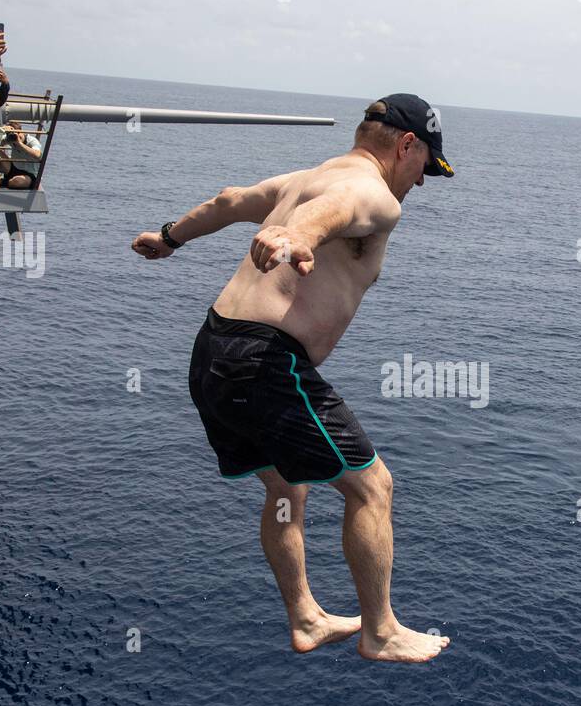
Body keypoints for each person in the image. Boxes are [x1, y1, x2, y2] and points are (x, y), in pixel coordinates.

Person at [131, 94, 455, 663]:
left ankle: (306, 616)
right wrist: (297, 237)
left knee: (286, 488)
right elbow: (334, 212)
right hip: (264, 363)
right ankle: (380, 631)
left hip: (212, 350)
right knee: (373, 488)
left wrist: (170, 238)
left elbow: (229, 201)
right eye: (424, 167)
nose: (420, 184)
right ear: (407, 145)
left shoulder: (304, 177)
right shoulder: (374, 194)